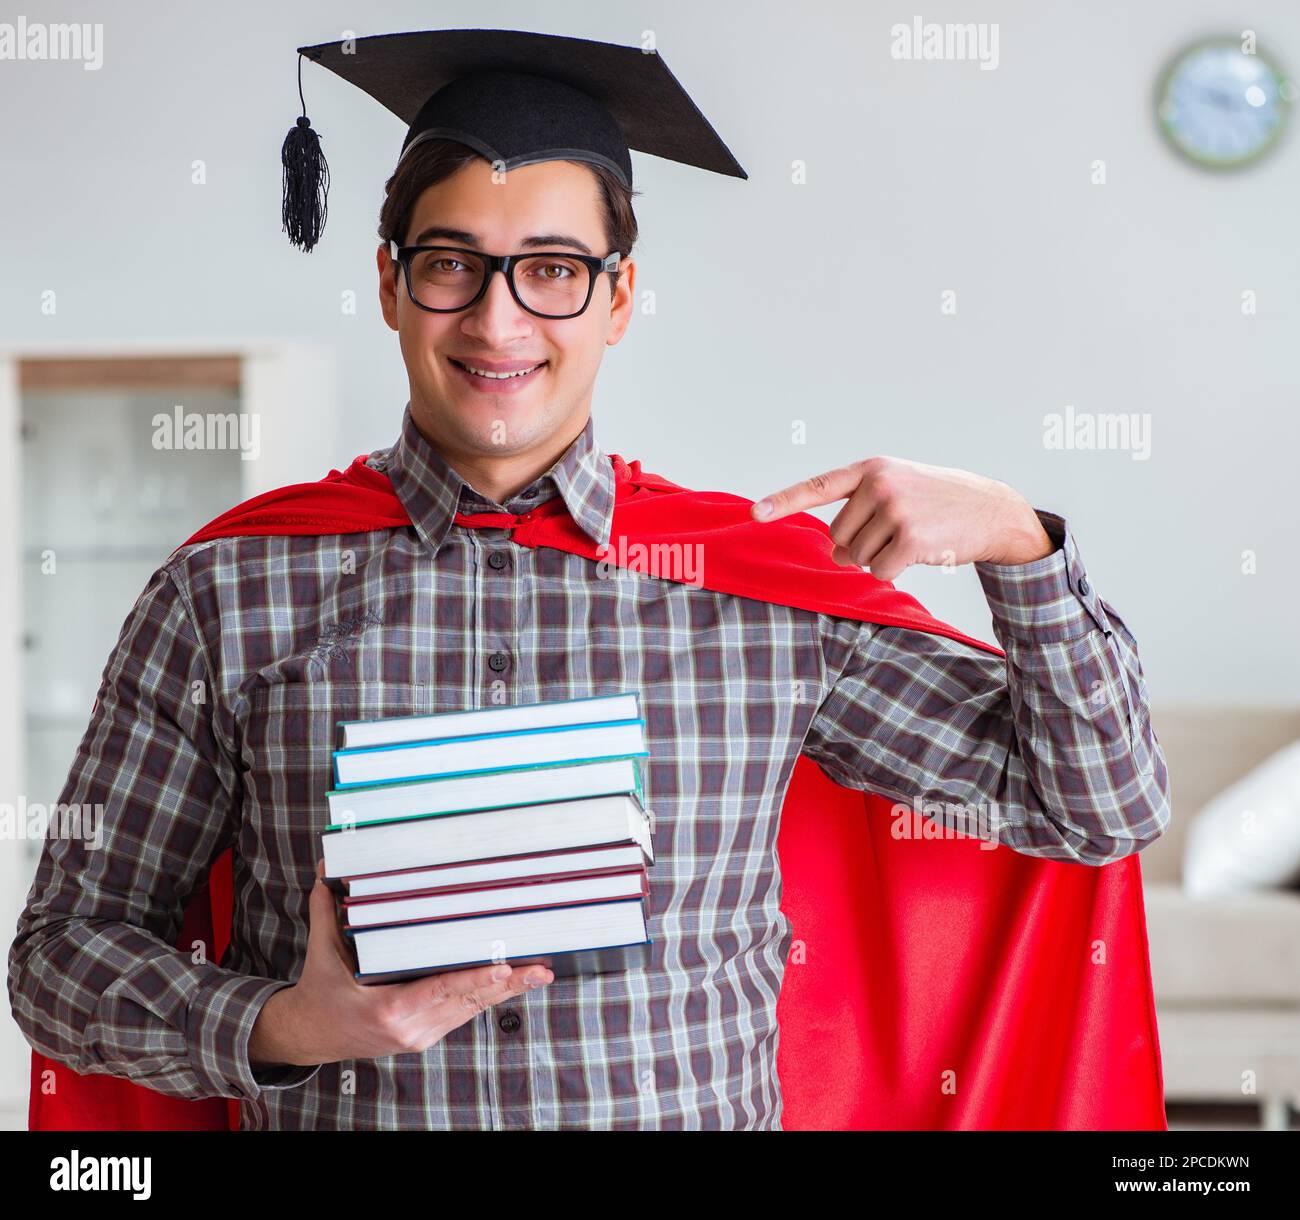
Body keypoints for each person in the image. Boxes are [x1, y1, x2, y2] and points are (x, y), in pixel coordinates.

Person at [9, 28, 1169, 1131]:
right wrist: (277, 1021)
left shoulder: (760, 594)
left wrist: (1022, 544)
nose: (498, 317)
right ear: (388, 281)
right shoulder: (230, 589)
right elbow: (60, 956)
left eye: (553, 269)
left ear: (617, 297)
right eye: (452, 263)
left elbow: (1098, 808)